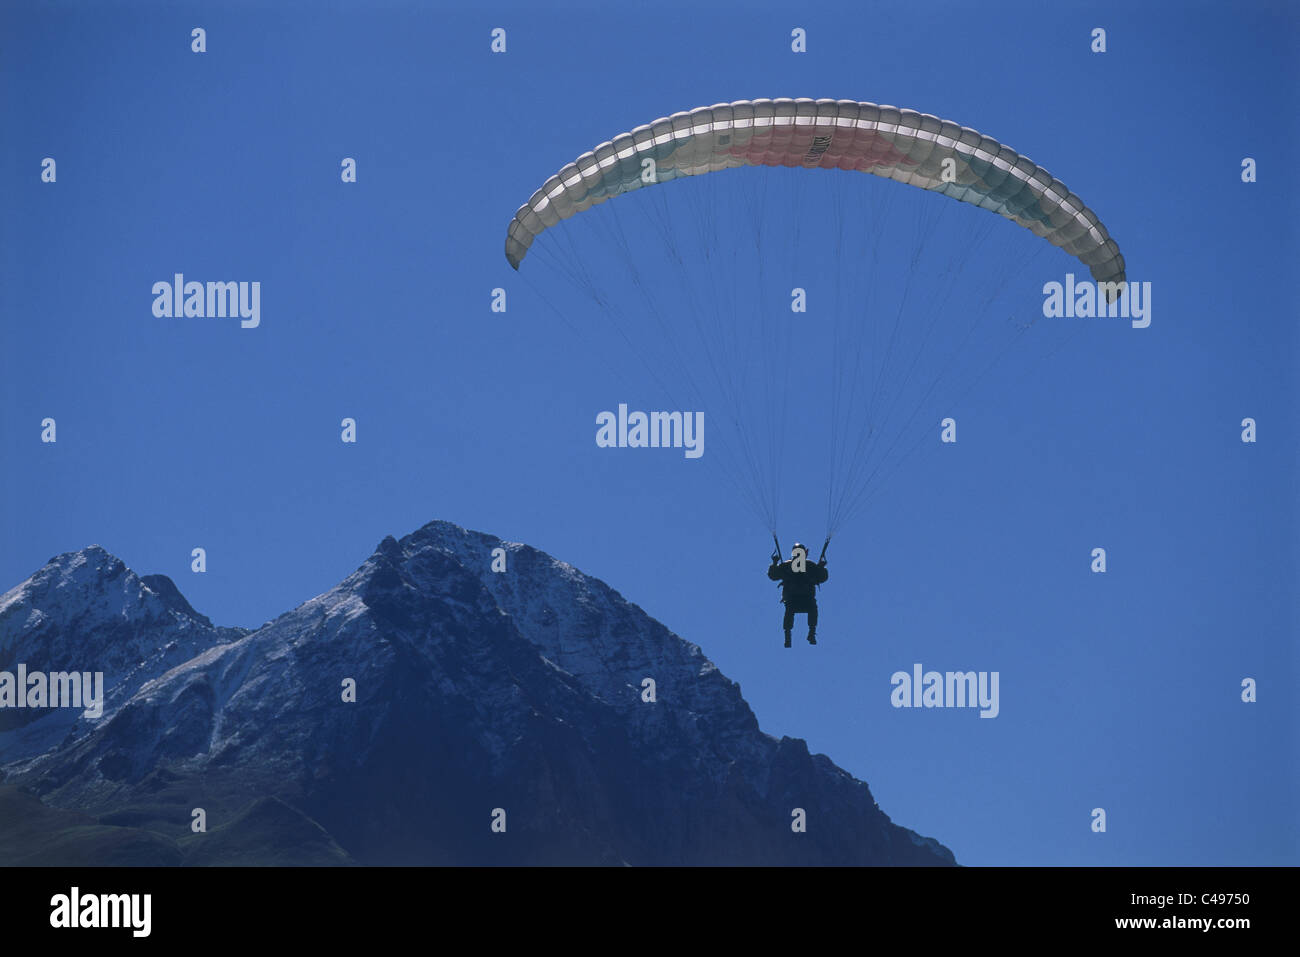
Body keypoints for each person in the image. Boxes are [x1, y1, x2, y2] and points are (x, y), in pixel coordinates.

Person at [767, 542, 828, 647]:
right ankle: (788, 636)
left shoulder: (810, 566)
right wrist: (774, 564)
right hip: (793, 599)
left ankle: (811, 633)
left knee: (811, 608)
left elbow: (822, 578)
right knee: (791, 610)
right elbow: (773, 576)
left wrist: (821, 568)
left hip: (805, 599)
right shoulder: (787, 566)